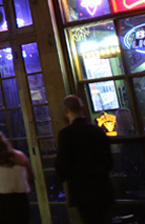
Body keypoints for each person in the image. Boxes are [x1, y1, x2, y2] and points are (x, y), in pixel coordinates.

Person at [56, 95, 114, 224]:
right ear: (82, 108)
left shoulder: (66, 134)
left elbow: (62, 164)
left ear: (66, 111)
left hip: (81, 190)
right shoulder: (98, 131)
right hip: (102, 188)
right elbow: (109, 162)